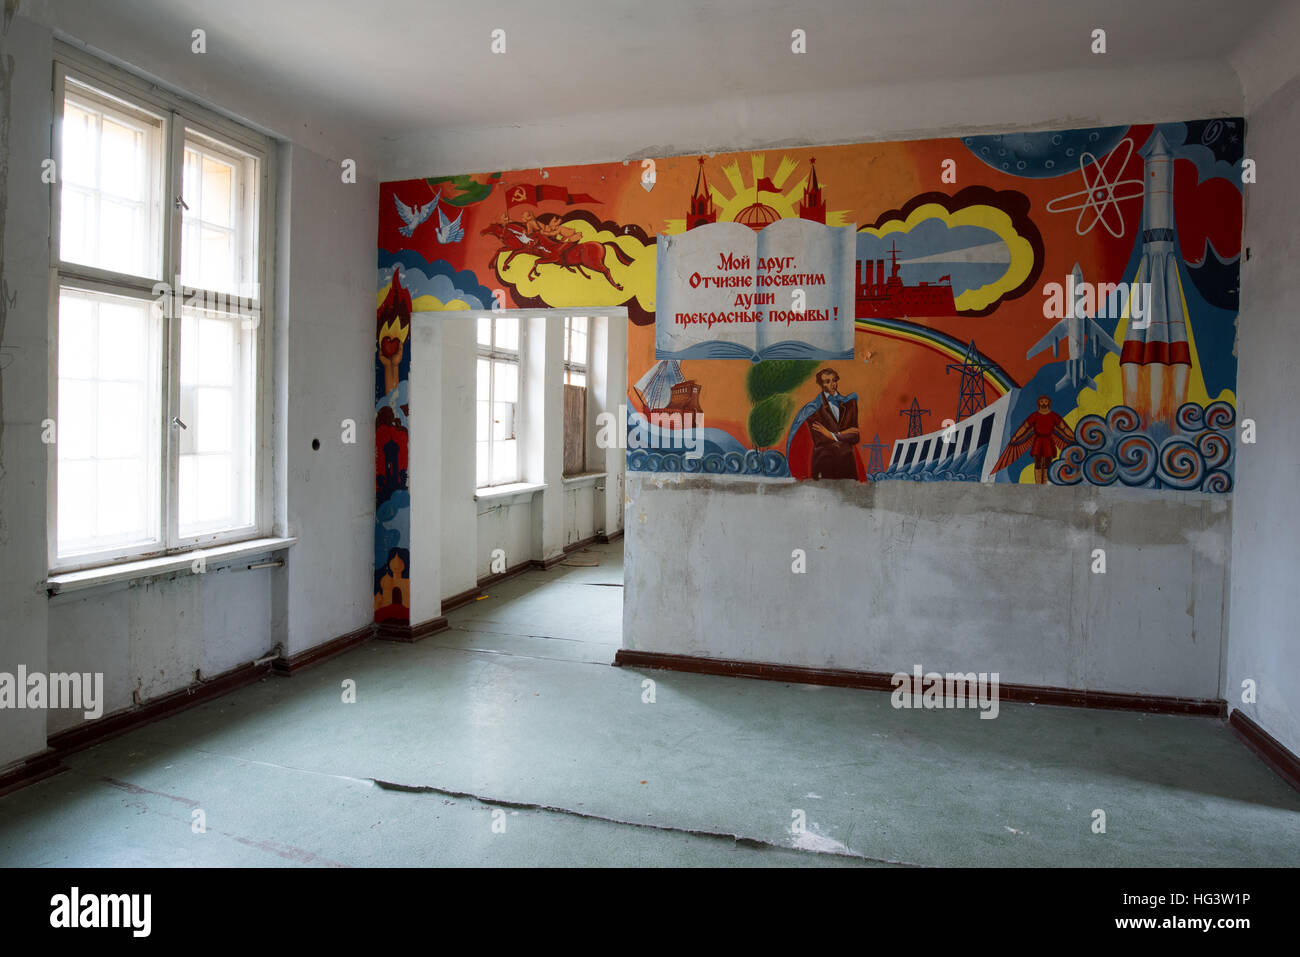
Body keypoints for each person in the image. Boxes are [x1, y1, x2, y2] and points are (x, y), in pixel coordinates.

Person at [992, 395, 1076, 484]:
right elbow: (1025, 427)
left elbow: (1064, 428)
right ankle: (1039, 483)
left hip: (1048, 442)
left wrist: (1074, 437)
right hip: (1038, 442)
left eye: (1045, 401)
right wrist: (1016, 437)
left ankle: (1046, 482)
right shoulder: (1035, 415)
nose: (1044, 403)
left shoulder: (1053, 415)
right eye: (1042, 401)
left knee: (1047, 462)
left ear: (1049, 403)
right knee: (1038, 463)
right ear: (1038, 403)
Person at [804, 367, 861, 479]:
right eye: (827, 381)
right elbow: (819, 439)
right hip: (824, 462)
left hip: (847, 462)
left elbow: (855, 437)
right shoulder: (813, 409)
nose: (833, 384)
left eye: (834, 380)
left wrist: (832, 435)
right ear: (821, 384)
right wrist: (844, 434)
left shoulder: (850, 404)